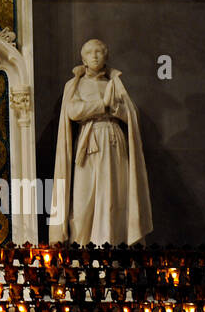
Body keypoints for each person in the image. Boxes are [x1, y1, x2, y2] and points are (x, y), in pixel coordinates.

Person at [49, 39, 152, 245]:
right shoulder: (75, 84)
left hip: (113, 140)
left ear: (106, 56)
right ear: (83, 58)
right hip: (88, 143)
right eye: (89, 52)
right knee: (82, 200)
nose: (94, 55)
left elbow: (131, 114)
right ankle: (82, 249)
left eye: (99, 51)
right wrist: (101, 104)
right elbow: (73, 111)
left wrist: (114, 108)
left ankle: (111, 250)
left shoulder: (114, 84)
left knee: (112, 196)